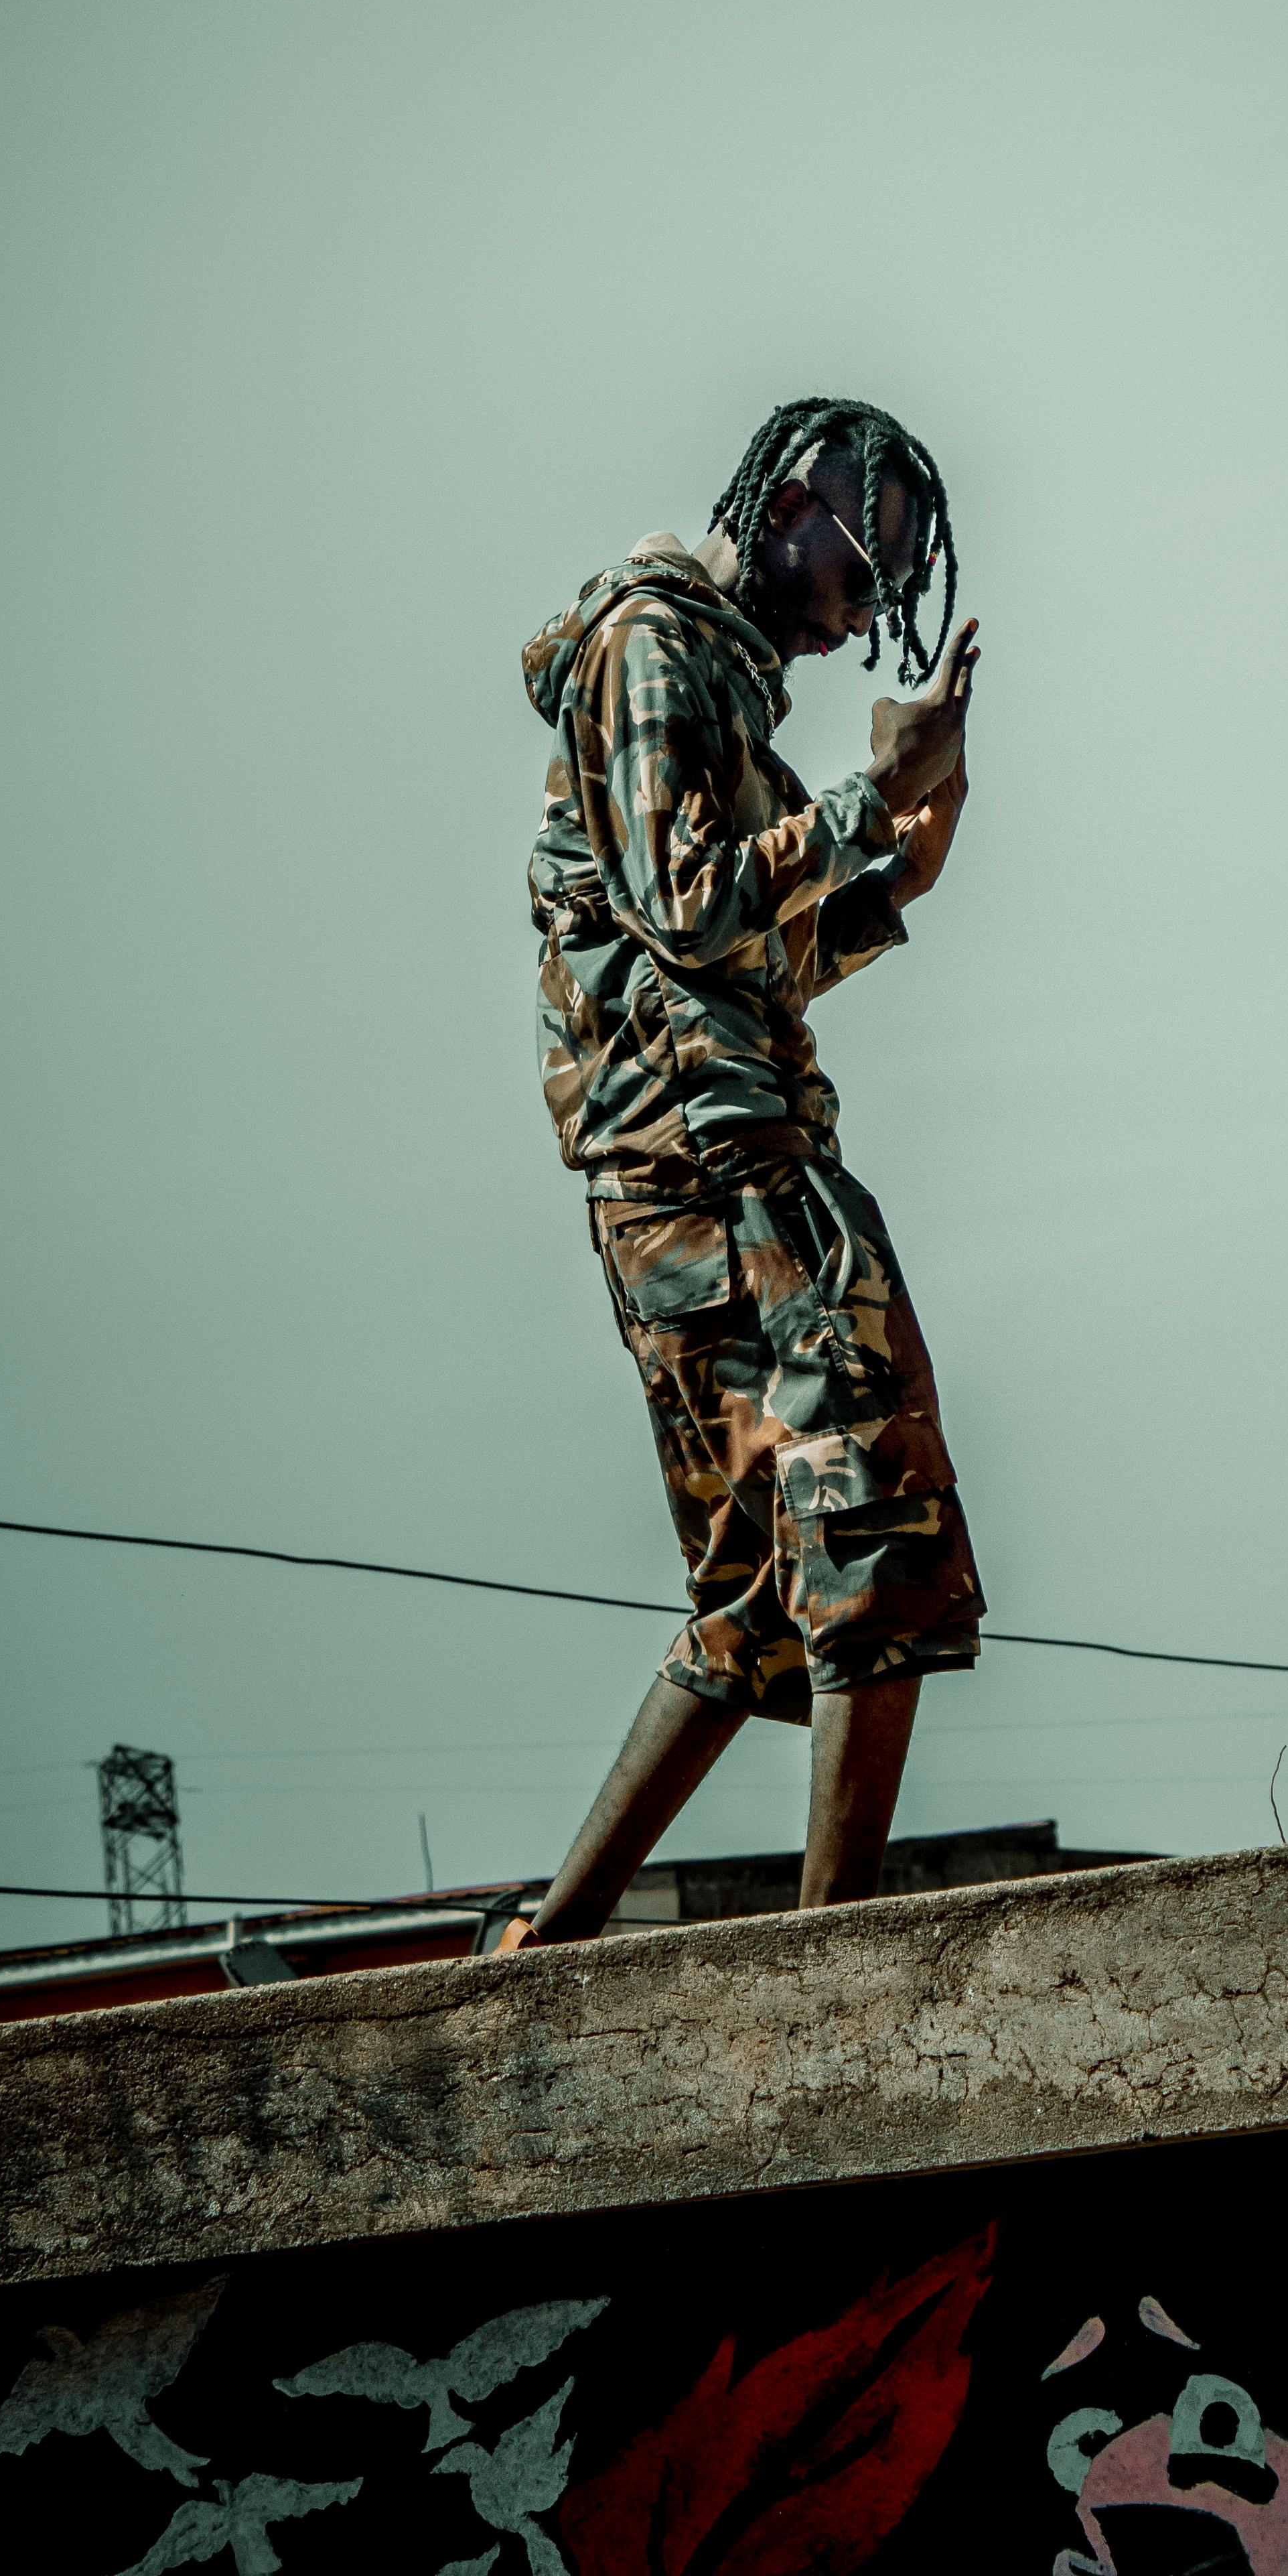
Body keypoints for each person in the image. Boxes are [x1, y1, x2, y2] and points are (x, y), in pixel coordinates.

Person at [498, 395, 984, 1944]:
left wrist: (919, 816)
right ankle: (829, 1964)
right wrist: (859, 803)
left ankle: (549, 1939)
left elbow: (775, 956)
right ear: (790, 508)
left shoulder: (717, 686)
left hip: (698, 1158)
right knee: (875, 1529)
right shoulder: (654, 647)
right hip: (714, 1170)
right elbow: (693, 905)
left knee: (762, 1594)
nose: (861, 615)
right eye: (860, 570)